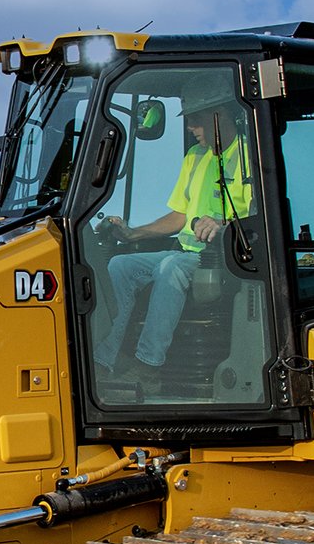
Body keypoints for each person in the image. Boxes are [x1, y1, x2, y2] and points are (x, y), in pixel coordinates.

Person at [93, 86, 254, 396]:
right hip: (186, 250)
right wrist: (132, 233)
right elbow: (179, 216)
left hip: (226, 258)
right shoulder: (195, 157)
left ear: (218, 117)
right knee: (120, 265)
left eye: (196, 120)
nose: (191, 128)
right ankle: (103, 360)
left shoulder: (250, 156)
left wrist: (224, 224)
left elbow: (262, 216)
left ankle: (148, 367)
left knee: (171, 267)